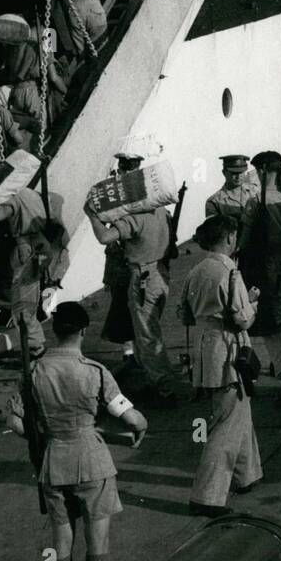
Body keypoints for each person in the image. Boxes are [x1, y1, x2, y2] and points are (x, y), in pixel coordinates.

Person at [6, 301, 146, 561]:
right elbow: (130, 416)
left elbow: (13, 421)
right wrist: (141, 426)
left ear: (55, 330)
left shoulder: (34, 371)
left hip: (54, 462)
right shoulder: (94, 371)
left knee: (60, 541)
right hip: (93, 462)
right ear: (84, 331)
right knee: (98, 541)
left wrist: (42, 437)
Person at [83, 141, 182, 401]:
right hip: (160, 274)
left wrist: (92, 215)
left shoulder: (133, 217)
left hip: (142, 278)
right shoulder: (160, 210)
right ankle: (153, 379)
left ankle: (166, 388)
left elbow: (105, 237)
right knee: (146, 333)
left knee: (148, 338)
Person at [180, 214, 263, 517]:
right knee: (227, 422)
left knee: (239, 411)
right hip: (228, 349)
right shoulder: (230, 273)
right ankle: (207, 496)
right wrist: (252, 302)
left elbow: (184, 314)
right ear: (229, 237)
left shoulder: (195, 271)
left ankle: (246, 475)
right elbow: (242, 318)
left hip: (204, 346)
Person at [236, 151, 281, 408]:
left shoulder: (256, 201)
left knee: (272, 327)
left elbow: (243, 242)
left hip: (273, 270)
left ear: (263, 171)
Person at [0, 178, 69, 357]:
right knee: (37, 298)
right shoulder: (31, 194)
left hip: (29, 248)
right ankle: (40, 336)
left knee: (22, 303)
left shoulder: (14, 196)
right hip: (45, 249)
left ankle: (35, 348)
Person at [205, 153, 260, 227]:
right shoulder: (214, 201)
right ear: (224, 173)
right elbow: (215, 231)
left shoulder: (255, 191)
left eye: (241, 172)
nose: (238, 177)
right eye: (233, 173)